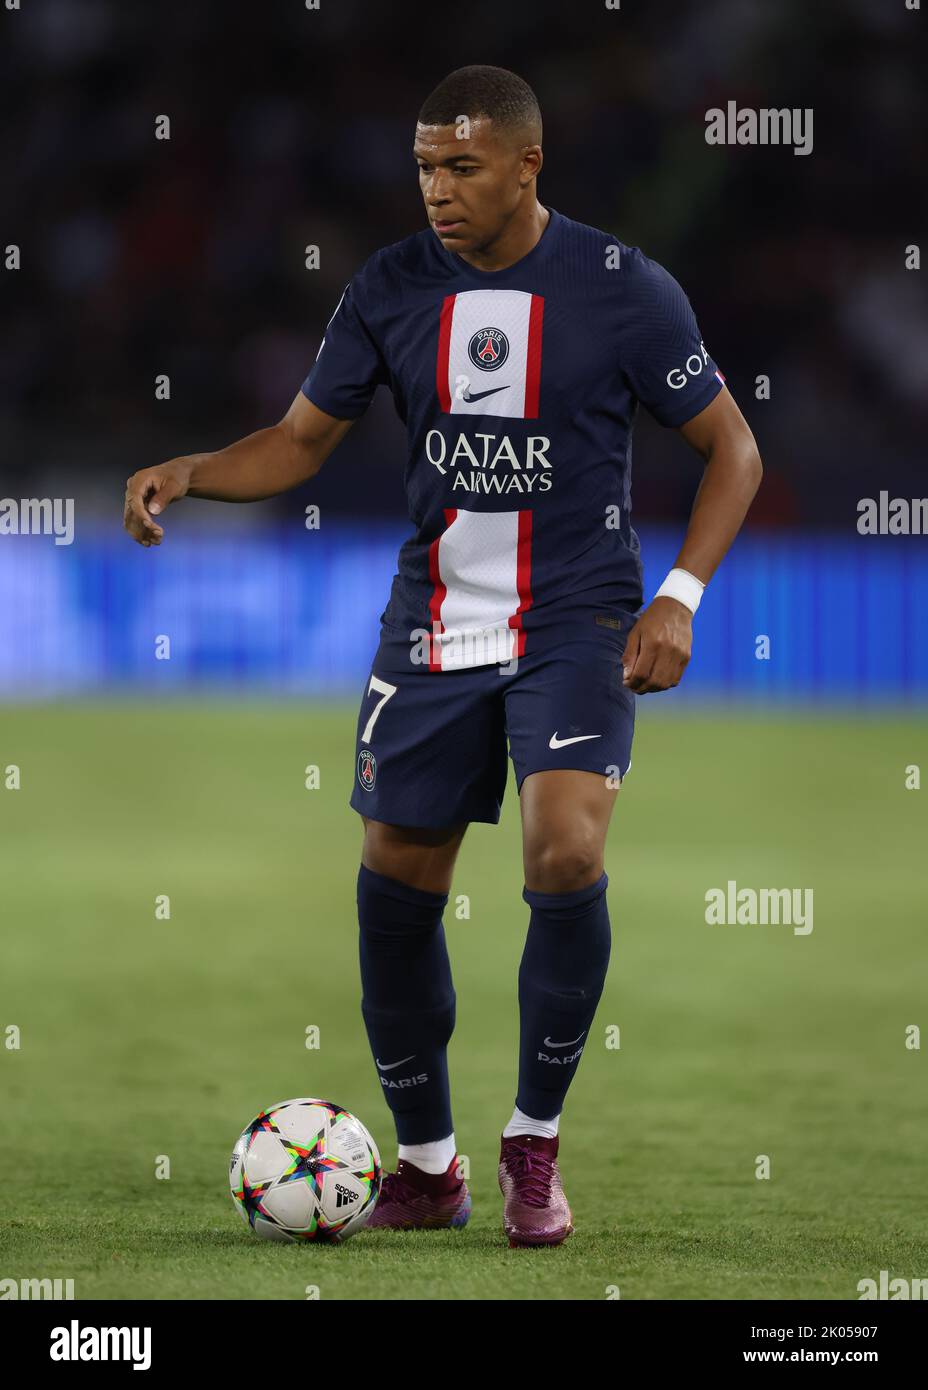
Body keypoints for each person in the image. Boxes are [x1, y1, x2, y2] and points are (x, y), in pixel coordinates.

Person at [124, 64, 763, 1248]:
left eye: (461, 167)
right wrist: (195, 470)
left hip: (575, 617)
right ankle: (426, 1164)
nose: (438, 190)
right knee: (394, 885)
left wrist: (677, 598)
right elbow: (301, 440)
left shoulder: (623, 288)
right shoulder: (388, 286)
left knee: (565, 850)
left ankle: (531, 1143)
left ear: (528, 165)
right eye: (425, 167)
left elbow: (733, 449)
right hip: (431, 627)